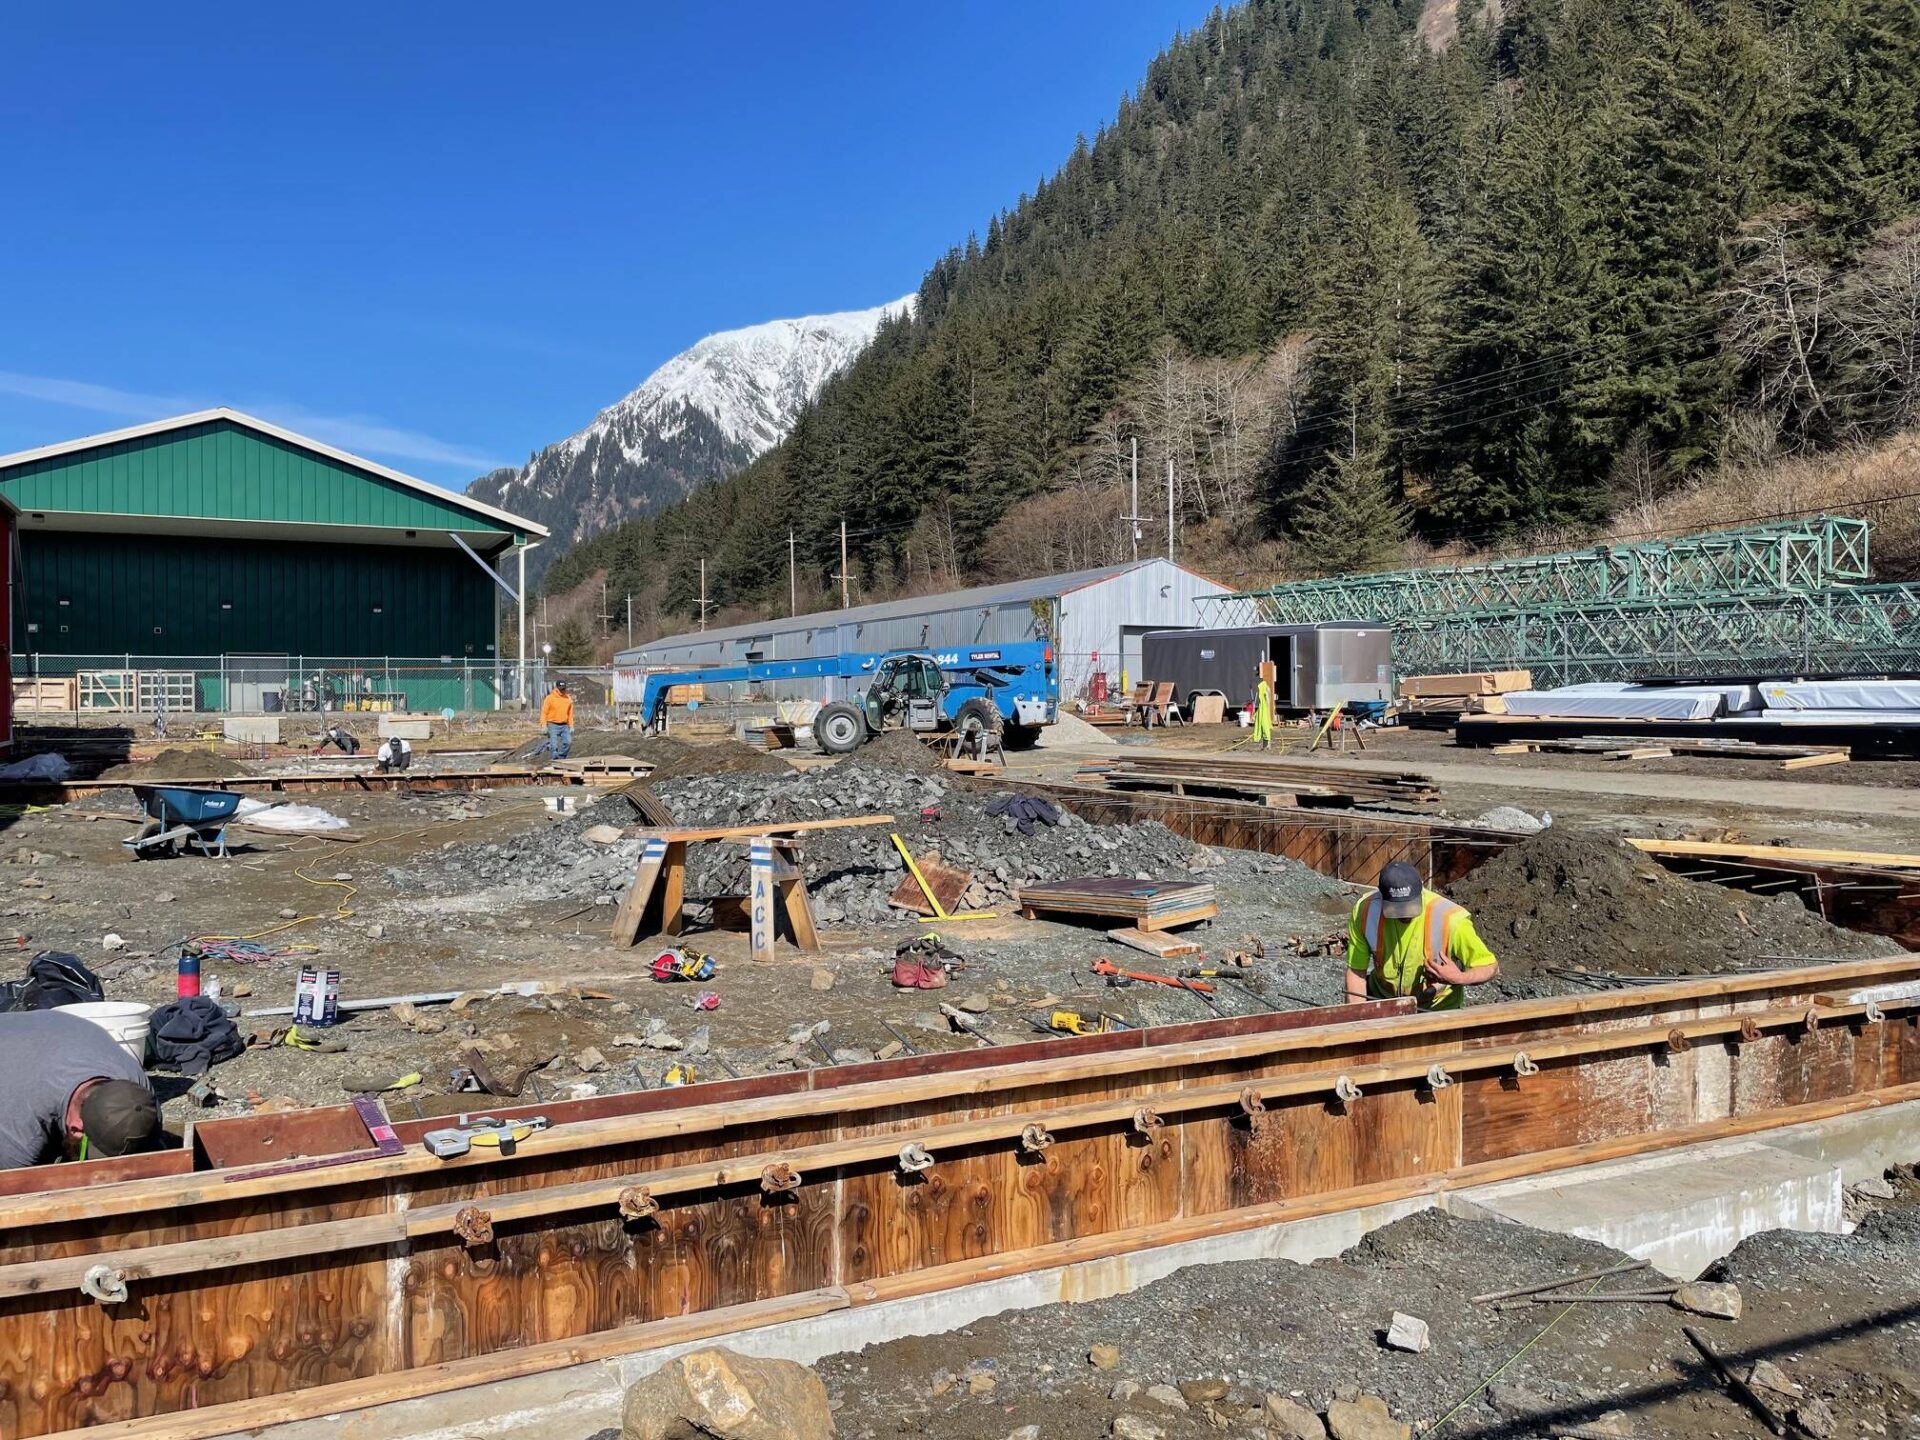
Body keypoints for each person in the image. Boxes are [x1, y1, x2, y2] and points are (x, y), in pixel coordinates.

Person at [0, 1009, 161, 1168]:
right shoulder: (18, 1137)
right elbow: (16, 1182)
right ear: (76, 1128)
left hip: (45, 1035)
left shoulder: (140, 1098)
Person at [1345, 861, 1500, 1011]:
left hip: (1436, 1008)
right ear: (1382, 896)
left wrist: (1459, 978)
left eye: (1410, 906)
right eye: (1397, 908)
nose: (1405, 914)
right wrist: (1356, 1017)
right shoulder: (1365, 912)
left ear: (1421, 889)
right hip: (1384, 1003)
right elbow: (1356, 972)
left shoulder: (1450, 918)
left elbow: (1490, 967)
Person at [540, 679, 574, 760]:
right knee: (554, 745)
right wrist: (544, 725)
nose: (562, 690)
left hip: (564, 725)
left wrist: (571, 725)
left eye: (564, 688)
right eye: (561, 689)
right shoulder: (549, 698)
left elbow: (570, 714)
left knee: (568, 742)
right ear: (557, 688)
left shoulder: (568, 699)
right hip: (552, 724)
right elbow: (544, 713)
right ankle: (555, 758)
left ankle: (561, 757)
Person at [1252, 667, 1274, 751]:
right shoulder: (1263, 685)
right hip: (1262, 708)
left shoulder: (1264, 685)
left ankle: (1267, 745)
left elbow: (1268, 697)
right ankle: (1265, 746)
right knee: (1264, 726)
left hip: (1264, 709)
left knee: (1265, 727)